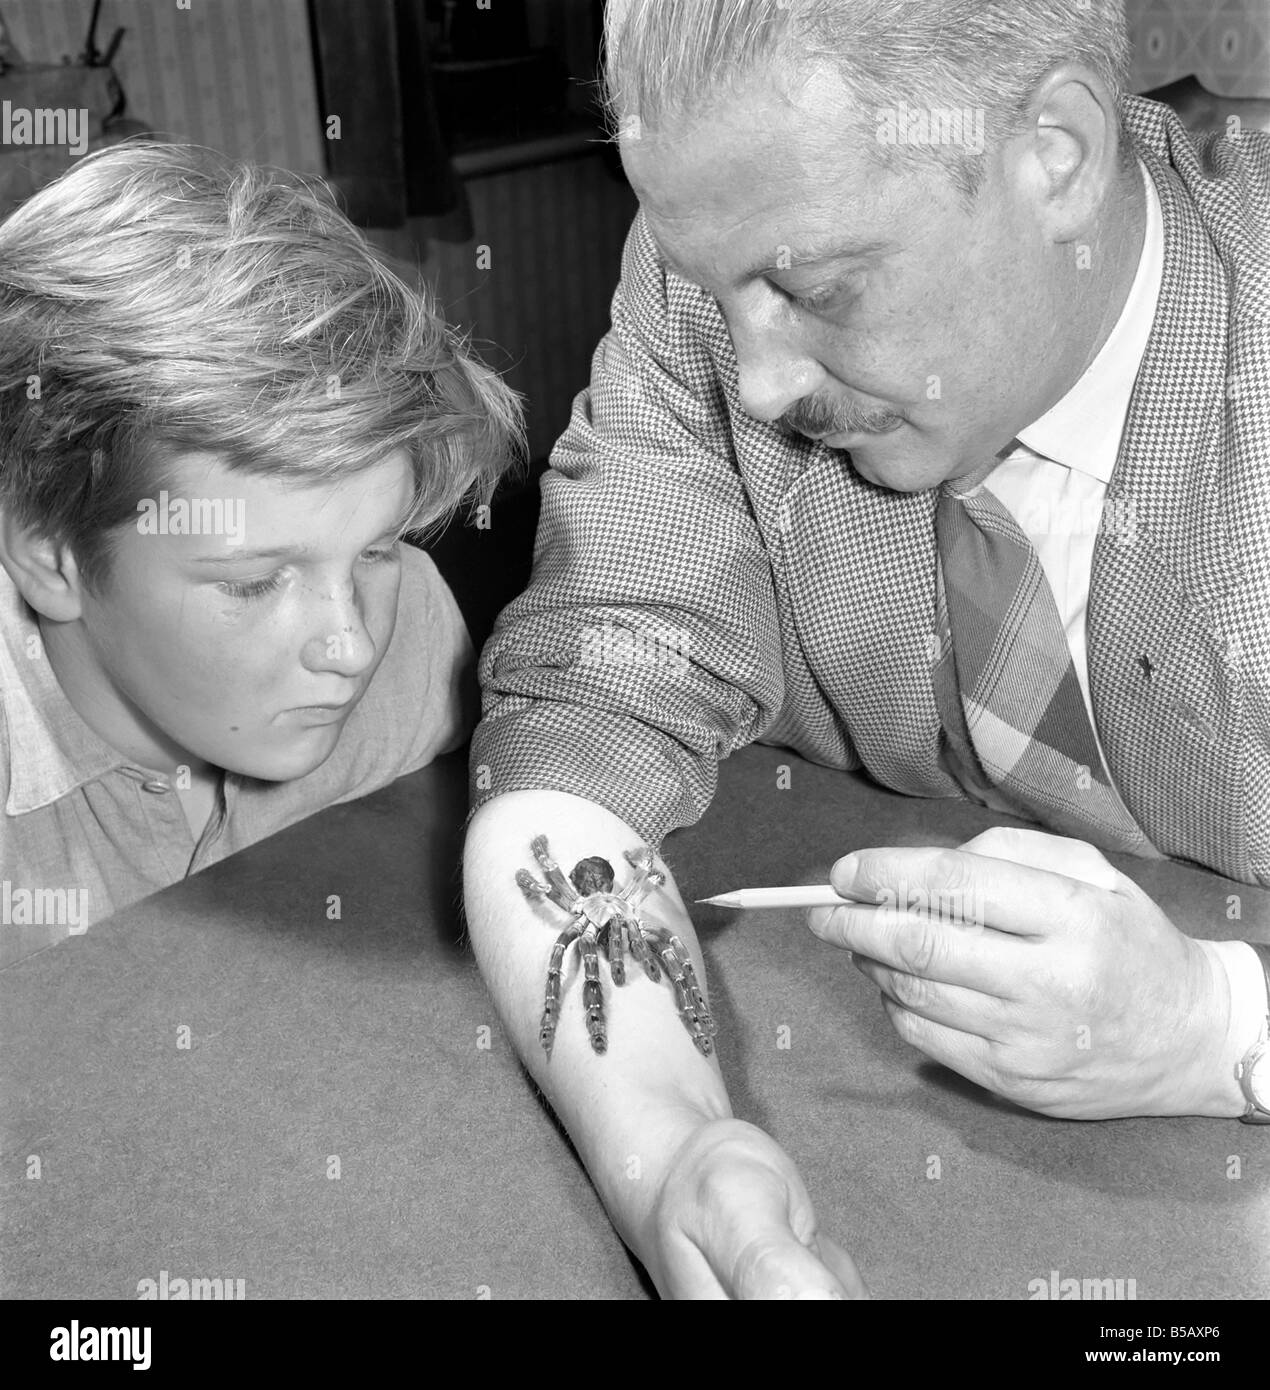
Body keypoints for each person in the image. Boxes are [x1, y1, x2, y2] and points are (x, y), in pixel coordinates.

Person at [463, 0, 1270, 1299]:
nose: (763, 384)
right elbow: (582, 725)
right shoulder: (722, 278)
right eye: (718, 285)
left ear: (1053, 153)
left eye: (818, 289)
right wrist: (671, 1157)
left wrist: (1214, 1031)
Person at [0, 143, 522, 962]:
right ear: (49, 555)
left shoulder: (414, 625)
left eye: (378, 548)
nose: (352, 648)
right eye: (251, 583)